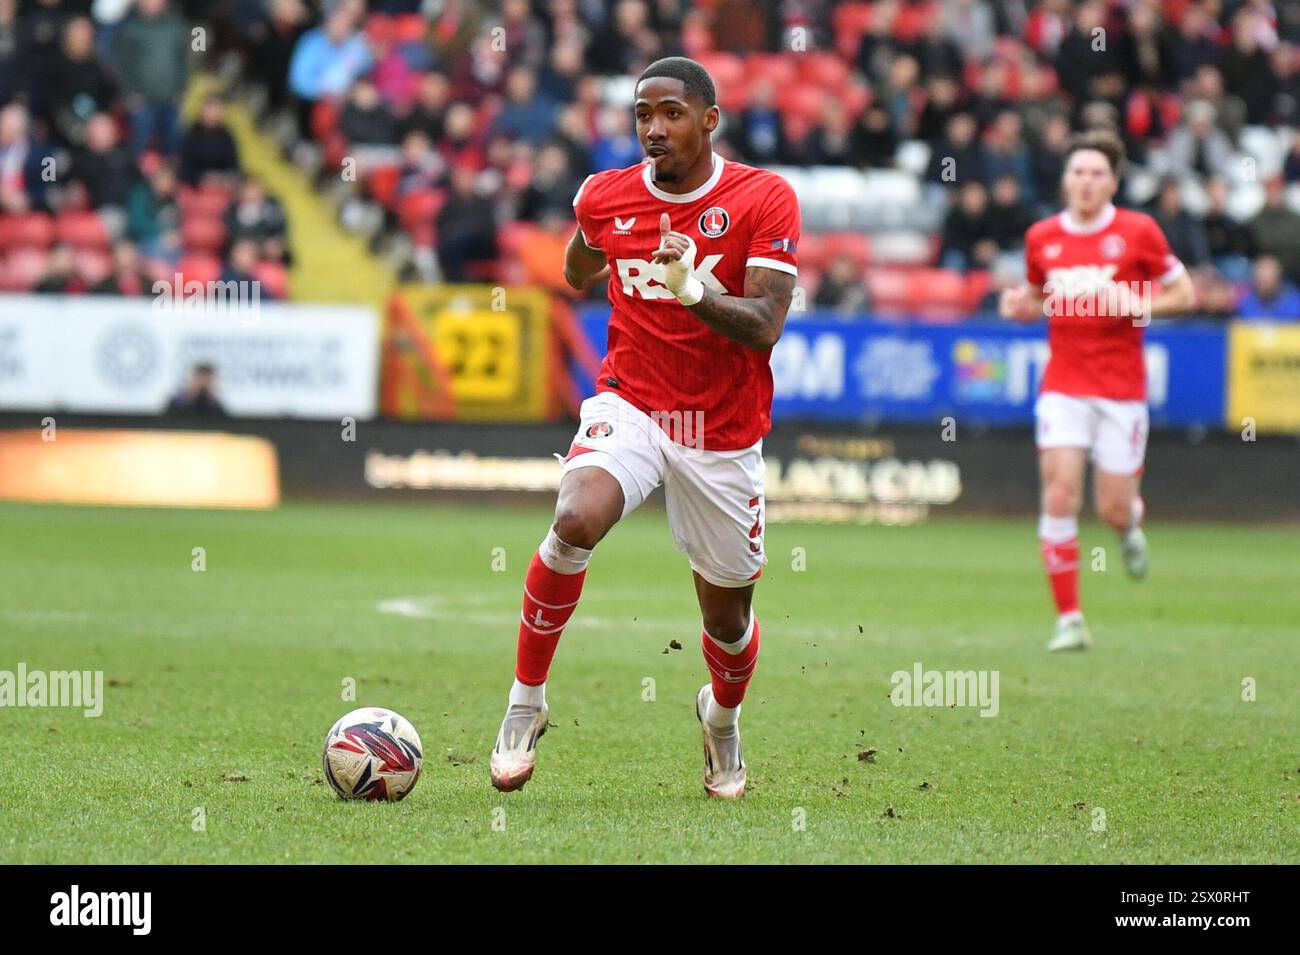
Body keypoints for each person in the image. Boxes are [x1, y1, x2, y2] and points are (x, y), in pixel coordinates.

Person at [488, 57, 800, 800]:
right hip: (631, 403)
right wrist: (594, 240)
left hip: (721, 428)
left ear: (709, 120)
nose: (654, 129)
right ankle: (525, 704)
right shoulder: (606, 194)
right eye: (643, 115)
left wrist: (691, 290)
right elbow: (578, 269)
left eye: (671, 113)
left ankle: (721, 718)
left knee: (728, 619)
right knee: (574, 519)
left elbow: (765, 324)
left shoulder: (764, 197)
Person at [998, 131, 1195, 652]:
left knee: (1112, 508)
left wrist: (1135, 301)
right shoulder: (1042, 237)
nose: (1086, 182)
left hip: (1121, 389)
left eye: (1097, 174)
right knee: (1060, 490)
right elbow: (1039, 297)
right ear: (1066, 180)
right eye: (1078, 172)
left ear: (1113, 182)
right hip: (1064, 383)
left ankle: (1128, 527)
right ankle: (1070, 620)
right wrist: (1020, 307)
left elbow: (1185, 293)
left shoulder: (1138, 231)